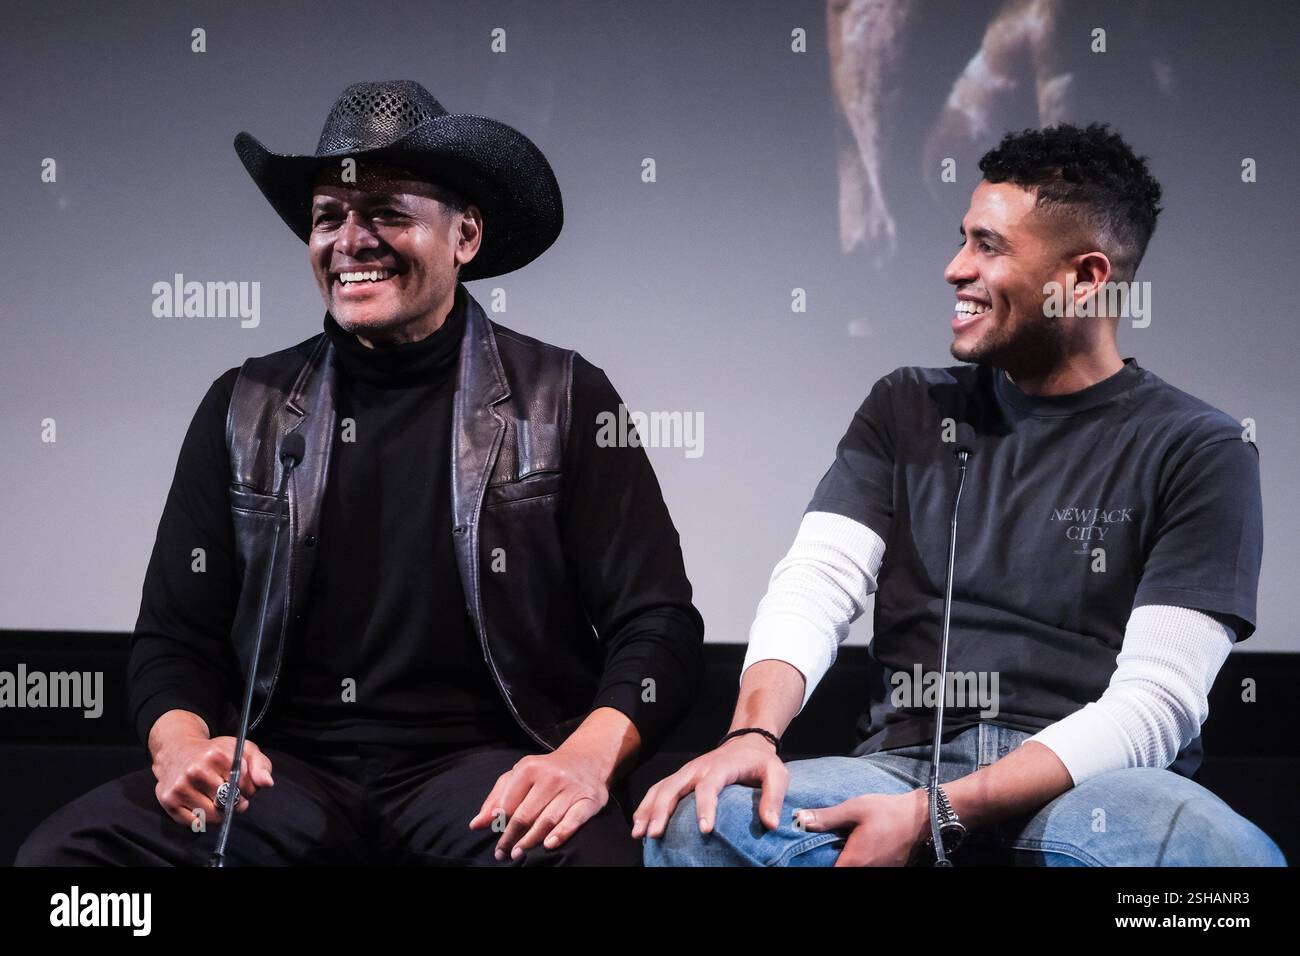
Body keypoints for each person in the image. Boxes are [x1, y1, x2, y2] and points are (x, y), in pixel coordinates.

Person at [18, 80, 703, 867]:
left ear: (465, 236)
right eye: (328, 217)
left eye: (386, 213)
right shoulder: (245, 406)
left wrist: (584, 759)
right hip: (279, 774)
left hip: (488, 773)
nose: (351, 240)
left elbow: (658, 628)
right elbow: (175, 636)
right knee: (64, 869)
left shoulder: (565, 397)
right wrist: (180, 748)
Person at [637, 123, 1285, 867]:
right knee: (700, 824)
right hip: (903, 761)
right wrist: (752, 734)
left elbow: (1155, 706)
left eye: (989, 246)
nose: (954, 268)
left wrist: (938, 813)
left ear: (1086, 276)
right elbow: (815, 587)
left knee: (1223, 858)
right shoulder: (907, 408)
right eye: (962, 240)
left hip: (1099, 786)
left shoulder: (1201, 448)